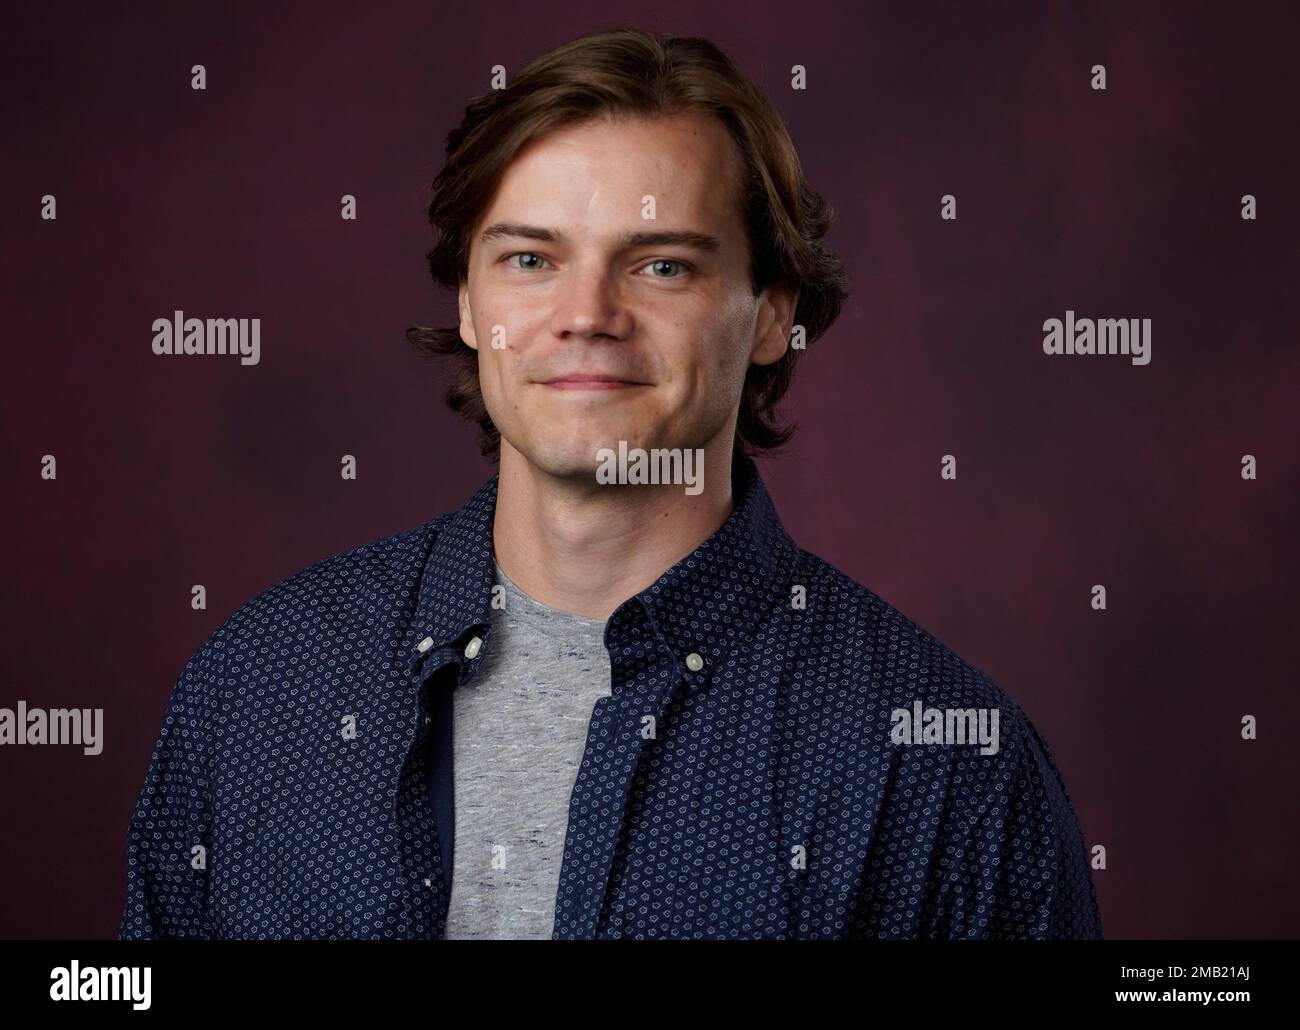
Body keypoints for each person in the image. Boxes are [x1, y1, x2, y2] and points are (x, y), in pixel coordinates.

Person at [118, 27, 1102, 940]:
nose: (585, 314)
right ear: (468, 301)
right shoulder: (252, 686)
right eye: (530, 258)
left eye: (662, 265)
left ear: (769, 314)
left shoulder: (945, 763)